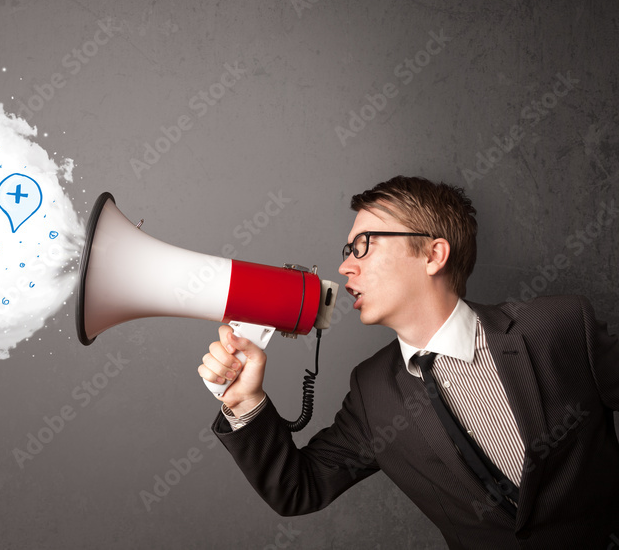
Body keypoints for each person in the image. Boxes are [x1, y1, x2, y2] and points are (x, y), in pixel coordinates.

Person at [198, 175, 618, 548]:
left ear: (434, 255)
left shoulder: (558, 327)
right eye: (348, 250)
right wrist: (245, 401)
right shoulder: (372, 391)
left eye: (363, 246)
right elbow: (299, 489)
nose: (345, 266)